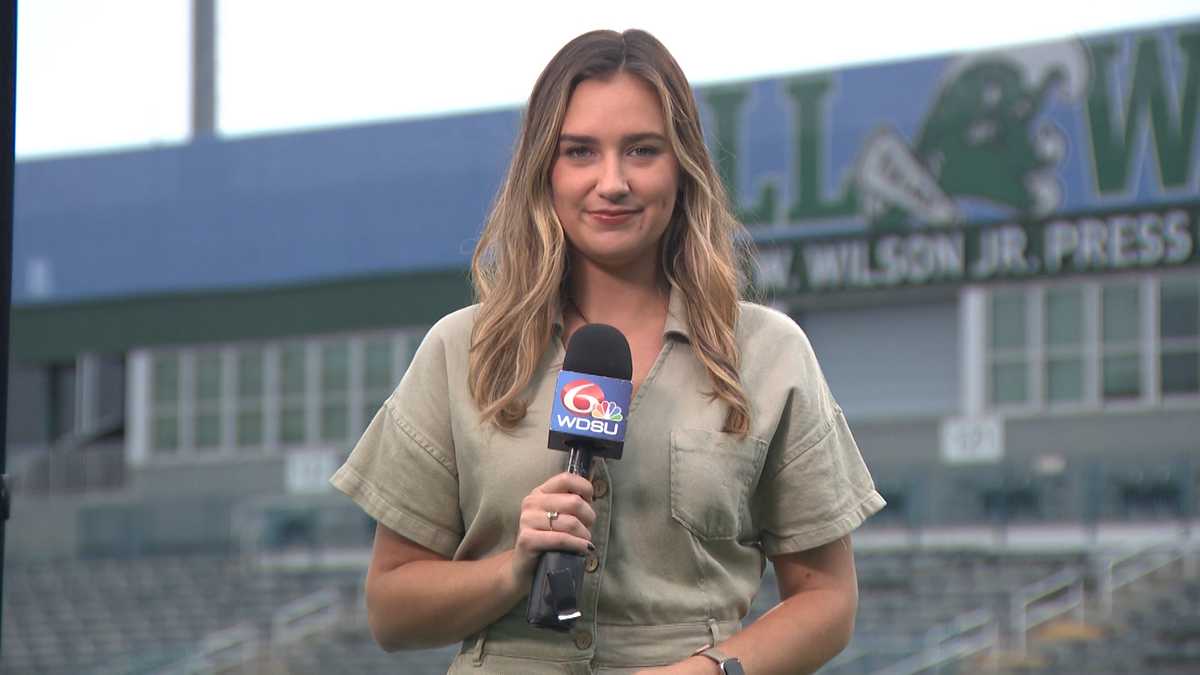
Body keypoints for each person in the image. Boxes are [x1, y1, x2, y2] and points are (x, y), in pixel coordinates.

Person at [330, 28, 885, 675]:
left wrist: (708, 672)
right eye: (581, 152)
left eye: (642, 150)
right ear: (546, 168)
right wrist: (513, 568)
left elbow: (828, 598)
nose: (612, 181)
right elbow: (391, 609)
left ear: (683, 165)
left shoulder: (768, 353)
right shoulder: (462, 350)